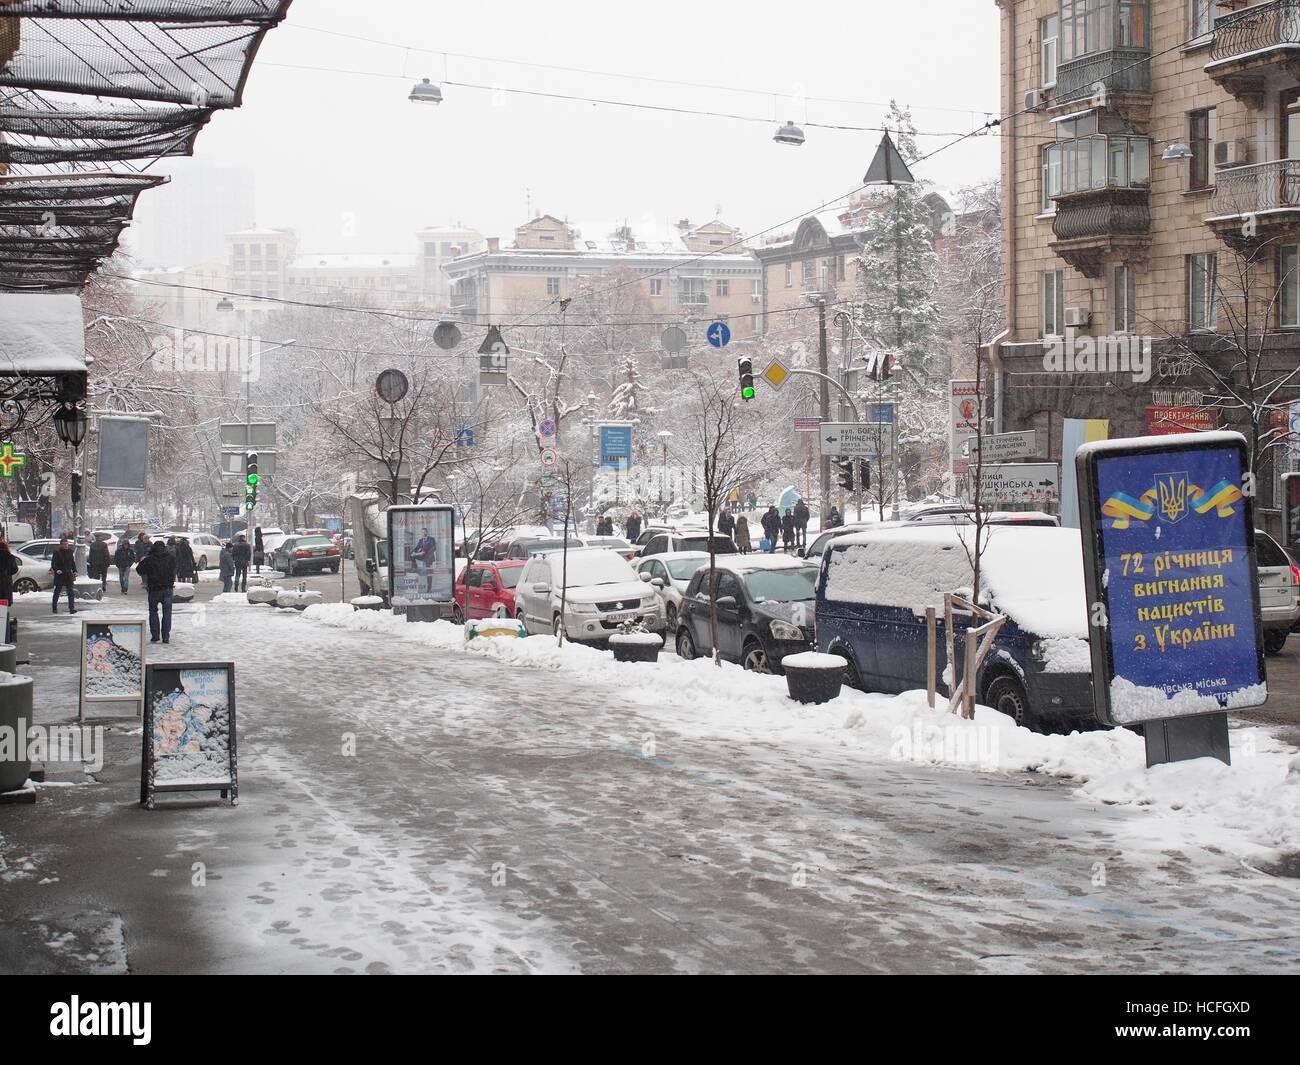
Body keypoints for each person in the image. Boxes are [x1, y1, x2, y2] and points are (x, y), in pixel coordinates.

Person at [136, 539, 176, 643]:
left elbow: (139, 570)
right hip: (167, 589)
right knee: (167, 613)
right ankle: (166, 636)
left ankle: (155, 635)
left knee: (153, 612)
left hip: (154, 589)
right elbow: (175, 569)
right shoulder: (170, 558)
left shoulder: (150, 559)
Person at [50, 536, 77, 614]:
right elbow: (53, 563)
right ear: (61, 545)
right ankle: (54, 607)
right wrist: (57, 570)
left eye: (67, 544)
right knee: (57, 592)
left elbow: (72, 563)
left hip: (68, 575)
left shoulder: (70, 552)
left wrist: (75, 571)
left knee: (70, 592)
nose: (66, 546)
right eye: (64, 544)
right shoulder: (57, 552)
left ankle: (71, 608)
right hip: (60, 575)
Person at [412, 527, 437, 593]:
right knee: (411, 554)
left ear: (426, 532)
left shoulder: (431, 539)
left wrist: (425, 552)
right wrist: (414, 552)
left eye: (424, 532)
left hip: (429, 558)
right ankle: (414, 568)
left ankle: (429, 588)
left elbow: (434, 548)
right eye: (421, 532)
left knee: (429, 573)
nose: (422, 533)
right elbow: (417, 547)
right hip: (422, 556)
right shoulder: (420, 540)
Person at [0, 537, 18, 605]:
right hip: (6, 584)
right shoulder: (10, 557)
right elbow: (14, 570)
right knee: (4, 603)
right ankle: (3, 614)